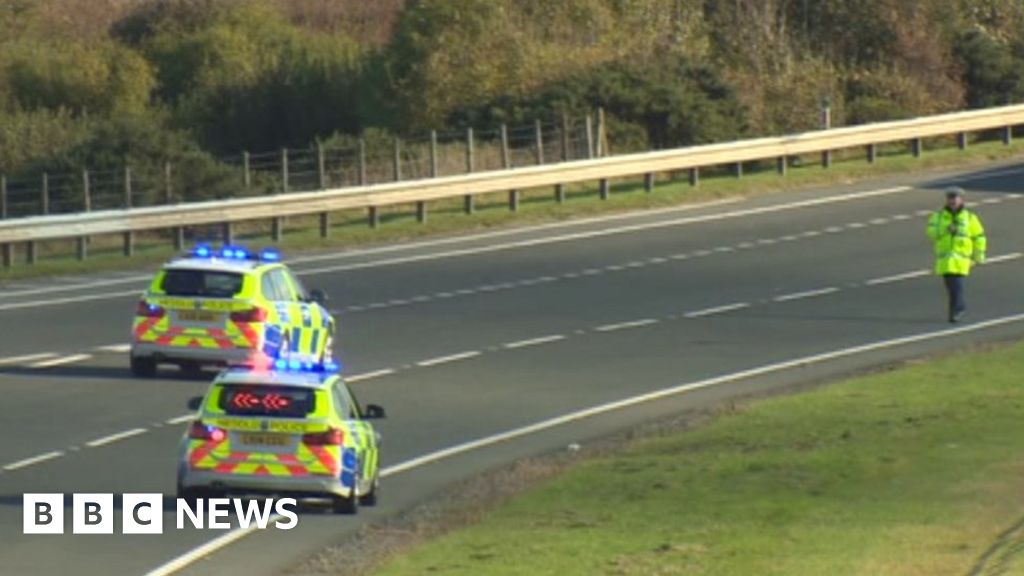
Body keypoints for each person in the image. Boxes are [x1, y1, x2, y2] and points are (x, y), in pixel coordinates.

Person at [926, 187, 986, 323]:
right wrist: (945, 230)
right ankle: (956, 310)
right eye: (950, 198)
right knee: (951, 287)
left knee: (956, 285)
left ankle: (957, 309)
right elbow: (930, 232)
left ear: (961, 199)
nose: (952, 201)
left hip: (961, 259)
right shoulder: (938, 216)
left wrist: (979, 254)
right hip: (945, 260)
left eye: (955, 198)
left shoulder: (970, 218)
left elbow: (979, 236)